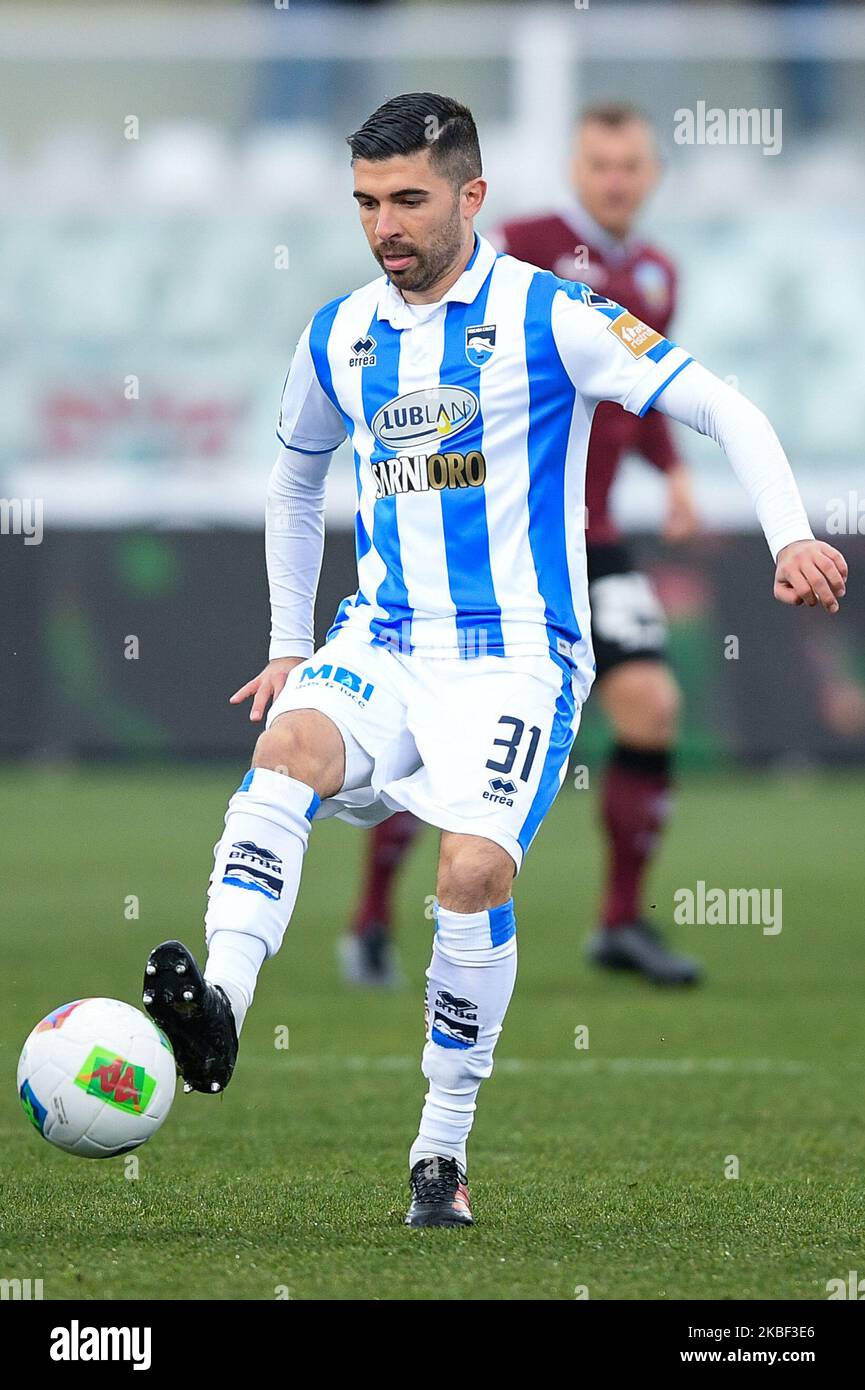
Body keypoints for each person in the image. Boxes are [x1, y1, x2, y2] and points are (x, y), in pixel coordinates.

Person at [142, 93, 846, 1229]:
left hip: (517, 653)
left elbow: (718, 402)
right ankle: (219, 1009)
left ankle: (439, 1151)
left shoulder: (552, 315)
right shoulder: (337, 333)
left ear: (472, 197)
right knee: (286, 748)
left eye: (409, 200)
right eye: (367, 202)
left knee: (470, 875)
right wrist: (287, 644)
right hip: (384, 635)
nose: (386, 226)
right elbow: (291, 483)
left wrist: (789, 531)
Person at [343, 102, 702, 988]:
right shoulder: (516, 243)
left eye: (629, 166)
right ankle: (371, 919)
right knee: (429, 735)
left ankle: (620, 924)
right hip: (489, 534)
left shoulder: (654, 270)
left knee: (651, 706)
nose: (615, 180)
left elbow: (633, 382)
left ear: (649, 174)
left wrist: (673, 471)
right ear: (575, 171)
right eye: (599, 165)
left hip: (594, 538)